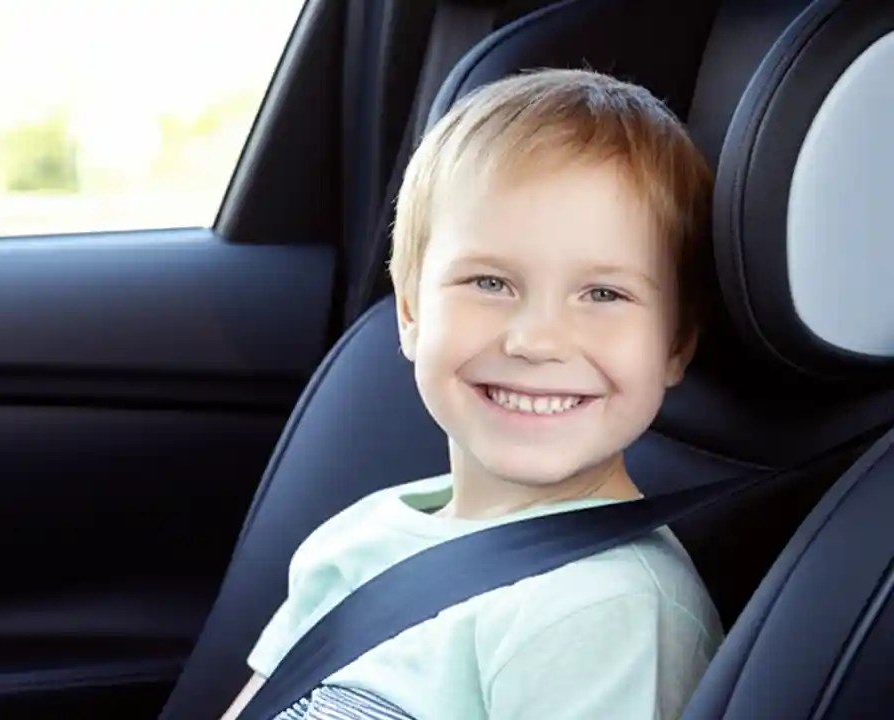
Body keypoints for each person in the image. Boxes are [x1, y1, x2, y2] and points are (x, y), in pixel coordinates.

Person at [220, 68, 723, 720]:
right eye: (490, 282)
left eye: (604, 294)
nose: (536, 340)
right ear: (409, 313)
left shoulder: (610, 612)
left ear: (676, 345)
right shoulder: (363, 534)